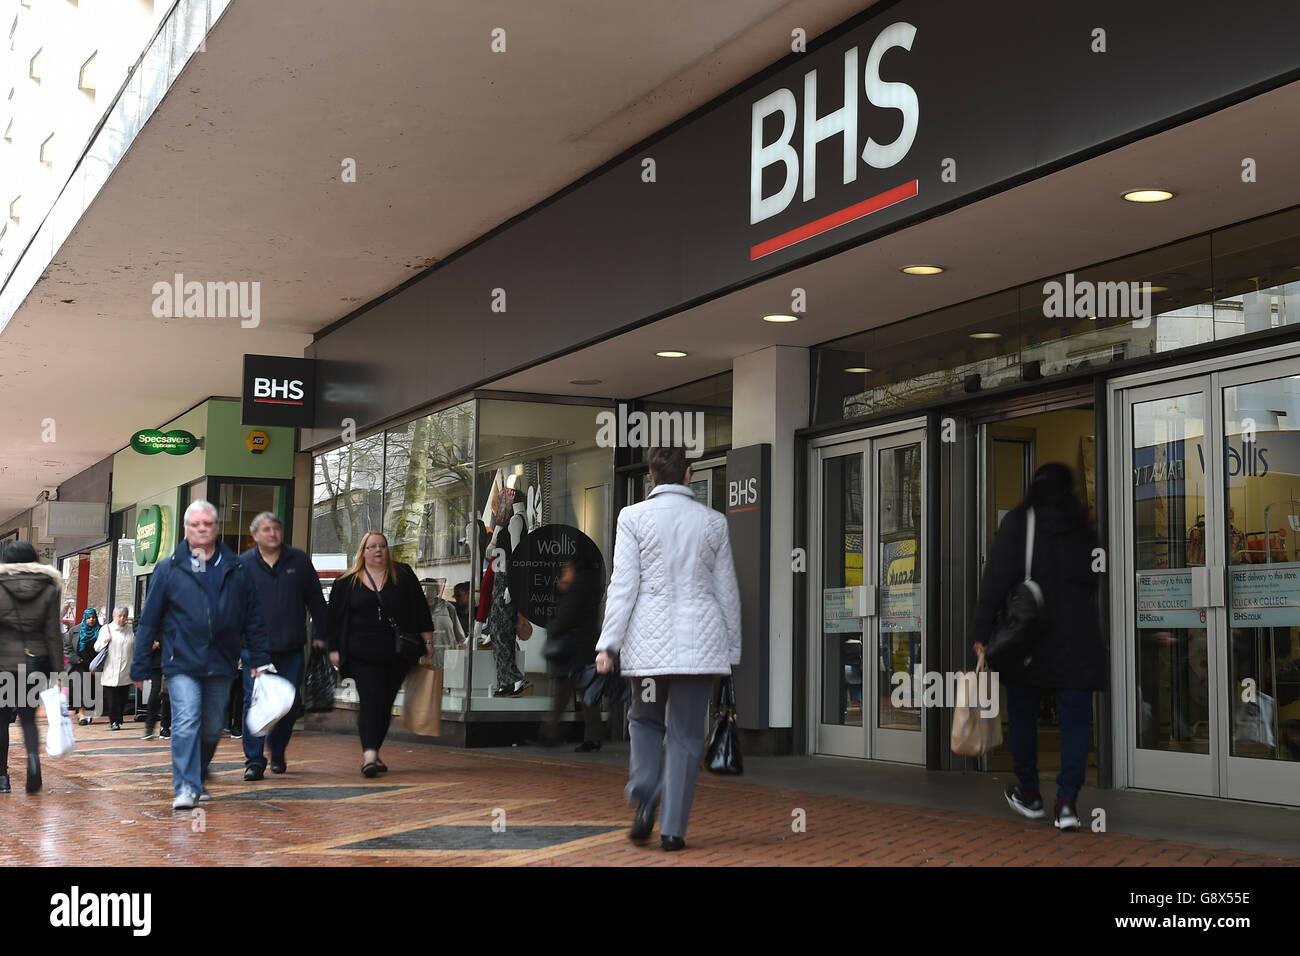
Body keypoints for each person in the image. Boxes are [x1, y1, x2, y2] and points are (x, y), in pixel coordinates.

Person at [595, 446, 742, 852]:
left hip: (649, 647)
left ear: (651, 476)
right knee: (687, 734)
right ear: (689, 474)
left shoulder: (633, 518)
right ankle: (674, 831)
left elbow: (623, 585)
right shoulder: (714, 523)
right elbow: (726, 591)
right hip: (702, 644)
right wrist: (731, 652)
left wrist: (609, 643)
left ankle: (646, 791)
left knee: (643, 720)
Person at [970, 462, 1106, 833]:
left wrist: (982, 630)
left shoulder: (1020, 522)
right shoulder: (1084, 526)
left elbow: (996, 578)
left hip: (1031, 634)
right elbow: (1095, 577)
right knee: (1076, 719)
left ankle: (1030, 793)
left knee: (1024, 713)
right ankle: (1067, 803)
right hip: (1078, 635)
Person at [130, 500, 273, 811]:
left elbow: (253, 618)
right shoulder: (168, 568)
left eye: (207, 524)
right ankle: (185, 786)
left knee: (211, 726)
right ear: (186, 529)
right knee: (186, 720)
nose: (202, 529)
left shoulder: (236, 568)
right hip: (181, 660)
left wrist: (260, 658)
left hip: (222, 659)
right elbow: (149, 619)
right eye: (196, 525)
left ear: (216, 527)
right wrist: (140, 665)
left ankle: (197, 772)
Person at [326, 531, 434, 777]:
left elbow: (419, 608)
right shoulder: (346, 582)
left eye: (382, 546)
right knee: (371, 700)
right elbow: (334, 618)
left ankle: (375, 749)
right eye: (372, 546)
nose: (378, 550)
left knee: (385, 703)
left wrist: (427, 639)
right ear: (362, 552)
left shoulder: (403, 574)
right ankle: (369, 756)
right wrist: (333, 648)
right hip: (361, 652)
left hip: (397, 652)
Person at [238, 511, 327, 780]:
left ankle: (277, 748)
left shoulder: (298, 560)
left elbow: (316, 599)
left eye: (276, 528)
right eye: (266, 529)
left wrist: (322, 633)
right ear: (255, 536)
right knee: (254, 702)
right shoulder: (242, 565)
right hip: (256, 649)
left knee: (287, 704)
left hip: (291, 647)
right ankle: (254, 760)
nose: (272, 533)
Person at [0, 541, 62, 794]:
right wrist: (57, 670)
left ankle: (2, 778)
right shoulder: (48, 588)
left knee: (2, 720)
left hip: (3, 662)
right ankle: (33, 766)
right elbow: (52, 633)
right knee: (28, 719)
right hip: (34, 662)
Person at [542, 557, 604, 751]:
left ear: (575, 569)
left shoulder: (577, 589)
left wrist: (551, 629)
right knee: (585, 695)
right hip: (583, 650)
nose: (564, 573)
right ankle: (591, 737)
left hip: (572, 652)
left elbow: (565, 618)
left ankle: (551, 734)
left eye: (567, 569)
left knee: (564, 695)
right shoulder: (588, 587)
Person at [94, 607, 135, 730]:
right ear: (114, 616)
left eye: (124, 616)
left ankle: (119, 717)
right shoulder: (106, 629)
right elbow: (96, 647)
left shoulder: (131, 630)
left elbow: (136, 647)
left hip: (126, 669)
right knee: (112, 699)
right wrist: (105, 641)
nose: (122, 618)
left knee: (123, 698)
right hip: (110, 669)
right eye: (120, 616)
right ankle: (114, 721)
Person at [72, 608, 100, 725]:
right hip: (80, 663)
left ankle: (87, 712)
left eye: (93, 617)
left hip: (95, 665)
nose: (91, 620)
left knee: (91, 689)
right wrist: (75, 659)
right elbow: (67, 647)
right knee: (81, 688)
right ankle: (81, 713)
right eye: (88, 618)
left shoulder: (101, 630)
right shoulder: (75, 630)